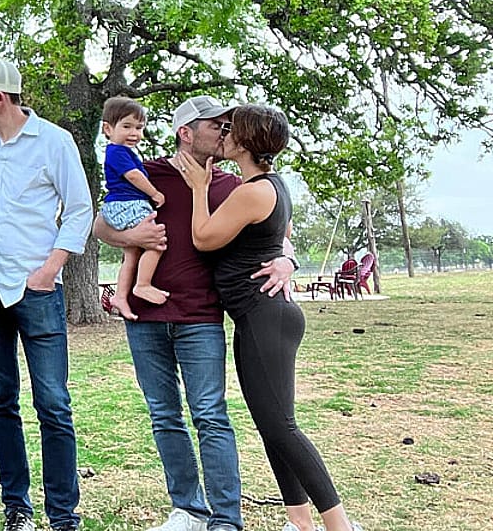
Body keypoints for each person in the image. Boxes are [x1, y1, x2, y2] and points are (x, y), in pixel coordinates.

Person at [93, 95, 296, 531]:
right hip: (146, 319)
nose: (224, 131)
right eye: (214, 125)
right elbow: (100, 225)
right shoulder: (146, 173)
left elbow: (282, 228)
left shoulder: (232, 186)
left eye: (228, 124)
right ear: (185, 132)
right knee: (164, 416)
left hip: (202, 317)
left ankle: (226, 519)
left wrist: (288, 261)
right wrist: (129, 232)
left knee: (210, 415)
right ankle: (187, 509)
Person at [177, 104, 363, 531]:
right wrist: (285, 258)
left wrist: (200, 189)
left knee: (282, 427)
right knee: (271, 425)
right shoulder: (265, 186)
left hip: (266, 317)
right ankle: (300, 522)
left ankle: (340, 526)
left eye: (230, 129)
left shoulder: (254, 191)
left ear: (244, 142)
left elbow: (203, 238)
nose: (222, 134)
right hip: (255, 317)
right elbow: (282, 236)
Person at [0, 58, 94, 531]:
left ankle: (63, 516)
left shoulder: (55, 141)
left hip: (37, 289)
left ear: (0, 98)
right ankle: (17, 508)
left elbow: (80, 209)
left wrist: (50, 269)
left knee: (53, 404)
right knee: (1, 401)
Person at [99, 96, 169, 307]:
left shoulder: (121, 152)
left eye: (139, 128)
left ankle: (120, 295)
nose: (134, 133)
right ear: (108, 129)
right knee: (156, 244)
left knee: (132, 252)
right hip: (128, 204)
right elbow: (134, 176)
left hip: (122, 205)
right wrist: (155, 193)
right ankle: (143, 284)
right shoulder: (117, 152)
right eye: (127, 126)